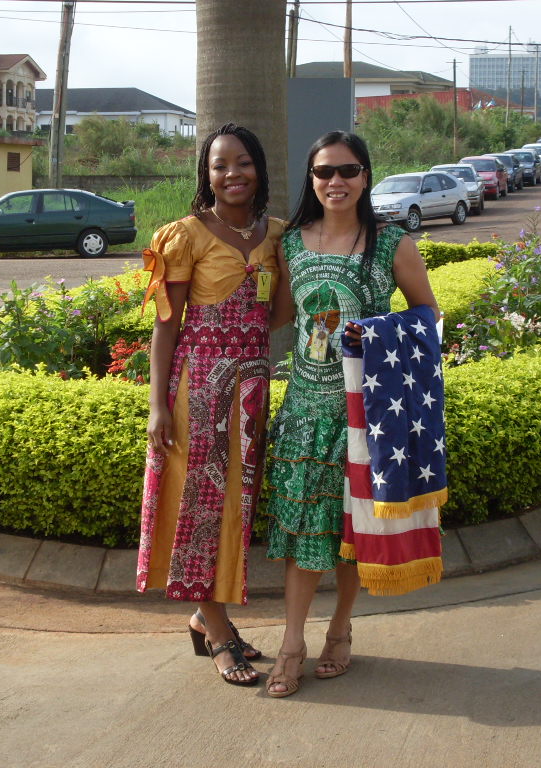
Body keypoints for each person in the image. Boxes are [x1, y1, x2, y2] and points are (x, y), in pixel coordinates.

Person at [264, 131, 440, 698]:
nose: (334, 182)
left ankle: (339, 631)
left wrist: (375, 334)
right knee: (300, 533)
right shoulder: (291, 244)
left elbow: (428, 317)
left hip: (368, 418)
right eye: (322, 173)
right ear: (311, 181)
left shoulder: (391, 245)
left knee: (349, 533)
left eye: (346, 171)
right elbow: (282, 321)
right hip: (304, 413)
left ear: (365, 176)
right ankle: (292, 643)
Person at [137, 123, 285, 687]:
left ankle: (205, 614)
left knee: (234, 506)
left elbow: (278, 316)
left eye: (242, 163)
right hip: (195, 387)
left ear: (259, 169)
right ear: (207, 174)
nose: (232, 175)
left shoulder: (277, 235)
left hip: (251, 387)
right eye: (220, 165)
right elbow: (164, 329)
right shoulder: (185, 235)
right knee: (197, 504)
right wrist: (158, 406)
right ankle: (219, 629)